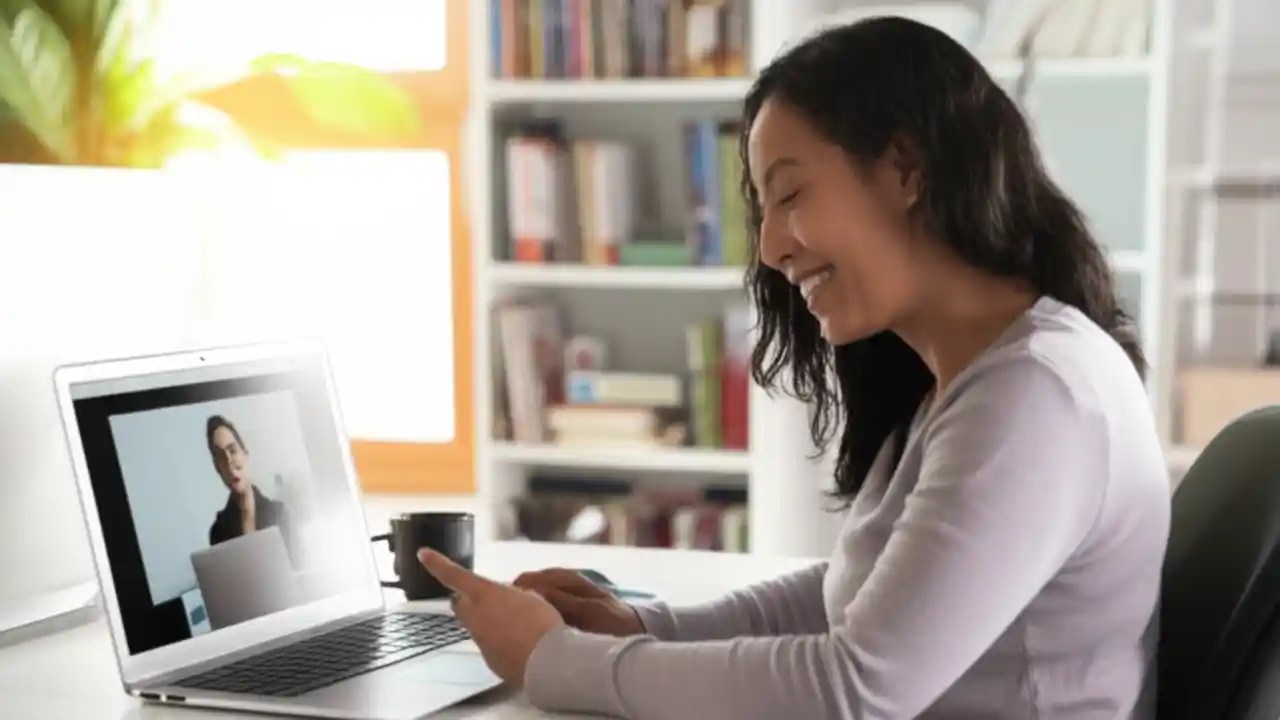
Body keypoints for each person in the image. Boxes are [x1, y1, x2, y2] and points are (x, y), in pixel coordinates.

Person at [417, 17, 1171, 719]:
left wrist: (558, 661)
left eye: (791, 194)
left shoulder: (1035, 395)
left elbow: (853, 690)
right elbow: (857, 596)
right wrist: (643, 627)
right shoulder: (981, 377)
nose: (773, 248)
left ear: (905, 169)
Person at [206, 415, 287, 547]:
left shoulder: (280, 513)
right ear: (217, 469)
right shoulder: (218, 532)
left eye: (232, 451)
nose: (229, 462)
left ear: (245, 454)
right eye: (221, 456)